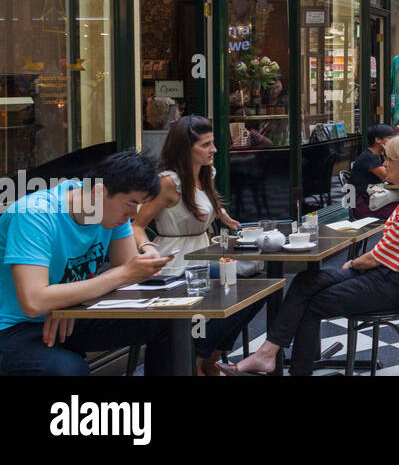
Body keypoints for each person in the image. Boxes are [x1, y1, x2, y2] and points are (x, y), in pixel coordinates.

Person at [224, 134, 399, 376]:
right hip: (391, 277)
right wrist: (356, 265)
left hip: (392, 286)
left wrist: (352, 263)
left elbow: (374, 258)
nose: (385, 163)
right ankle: (267, 354)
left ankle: (289, 366)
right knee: (306, 281)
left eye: (390, 159)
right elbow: (386, 254)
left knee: (313, 304)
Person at [0, 151, 177, 376]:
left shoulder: (110, 214)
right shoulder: (35, 214)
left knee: (169, 321)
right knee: (67, 370)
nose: (133, 215)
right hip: (16, 326)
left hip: (74, 314)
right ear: (98, 192)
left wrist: (69, 303)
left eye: (139, 205)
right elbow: (34, 302)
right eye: (131, 203)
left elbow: (127, 279)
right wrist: (123, 275)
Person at [131, 115, 263, 375]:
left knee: (257, 289)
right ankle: (197, 358)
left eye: (212, 143)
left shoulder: (205, 173)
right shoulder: (167, 182)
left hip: (204, 254)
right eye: (206, 145)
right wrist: (147, 248)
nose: (213, 149)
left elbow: (200, 204)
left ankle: (208, 357)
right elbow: (135, 223)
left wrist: (220, 213)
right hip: (177, 261)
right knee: (239, 288)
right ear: (185, 149)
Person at [351, 124, 397, 221]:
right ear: (378, 140)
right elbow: (390, 177)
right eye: (390, 138)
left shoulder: (378, 156)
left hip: (374, 199)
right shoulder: (368, 157)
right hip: (362, 204)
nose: (393, 141)